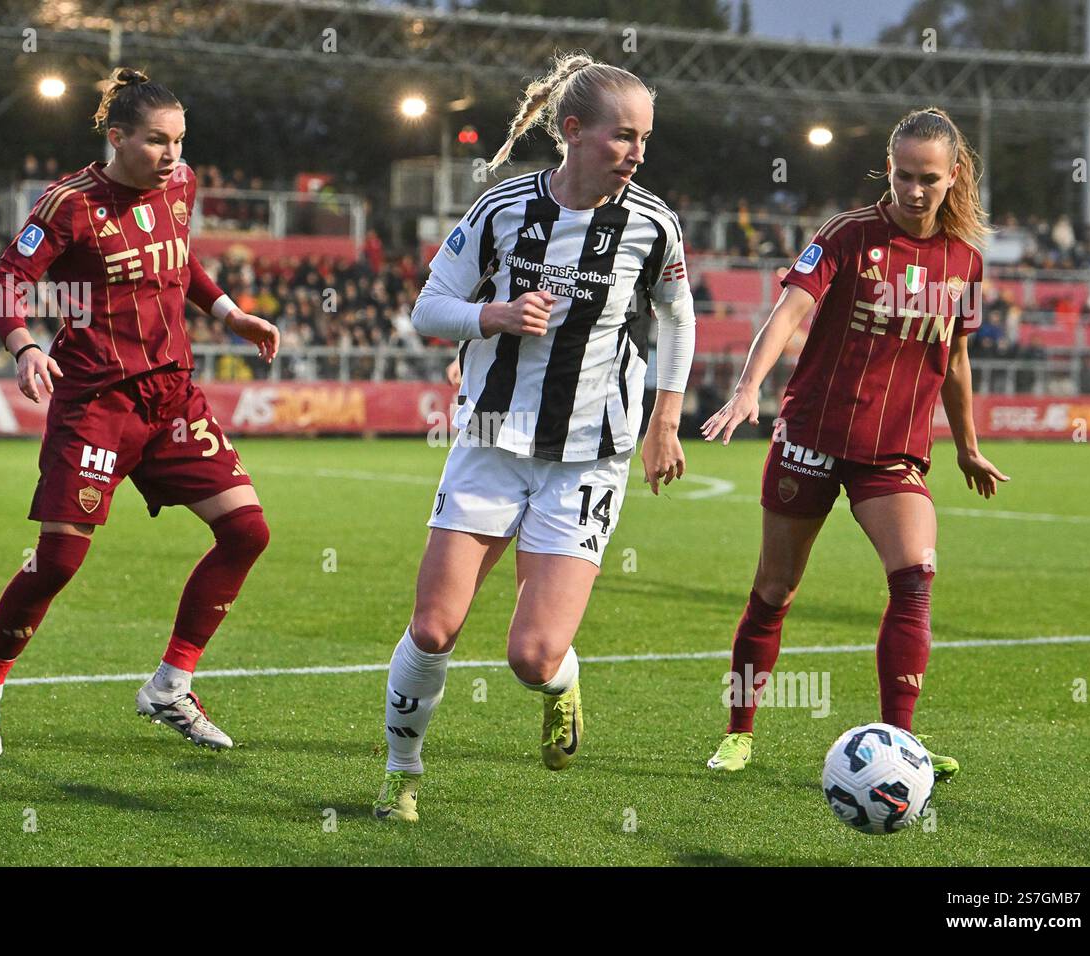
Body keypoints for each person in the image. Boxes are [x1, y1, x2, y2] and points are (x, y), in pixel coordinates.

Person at [373, 53, 696, 822]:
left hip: (588, 451)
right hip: (489, 434)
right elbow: (429, 307)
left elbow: (677, 319)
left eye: (646, 138)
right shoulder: (502, 209)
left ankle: (560, 684)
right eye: (624, 137)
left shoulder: (653, 225)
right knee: (434, 625)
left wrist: (666, 419)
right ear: (574, 132)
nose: (638, 153)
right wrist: (495, 315)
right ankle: (401, 772)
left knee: (532, 656)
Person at [0, 68, 280, 758]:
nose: (173, 156)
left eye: (180, 141)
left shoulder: (181, 186)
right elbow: (6, 283)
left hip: (171, 396)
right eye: (158, 142)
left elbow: (180, 262)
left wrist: (229, 314)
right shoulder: (69, 204)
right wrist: (22, 347)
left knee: (247, 531)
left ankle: (171, 685)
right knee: (59, 562)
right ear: (117, 138)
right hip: (97, 402)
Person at [701, 107, 1009, 780]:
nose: (914, 190)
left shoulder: (966, 262)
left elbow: (954, 360)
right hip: (813, 436)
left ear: (953, 176)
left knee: (915, 578)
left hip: (893, 451)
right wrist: (749, 386)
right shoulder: (847, 235)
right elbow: (788, 313)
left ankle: (899, 745)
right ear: (889, 169)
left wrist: (966, 446)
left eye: (929, 178)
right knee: (775, 592)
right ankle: (739, 732)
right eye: (903, 175)